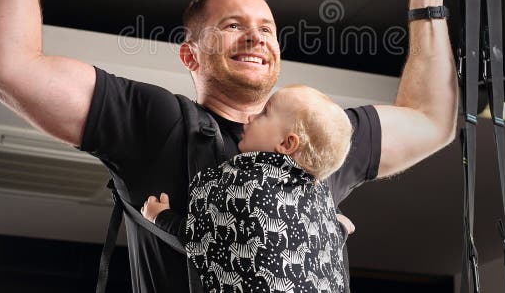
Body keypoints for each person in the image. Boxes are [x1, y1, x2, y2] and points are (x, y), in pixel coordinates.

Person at [0, 0, 458, 293]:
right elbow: (9, 64)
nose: (256, 38)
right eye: (232, 26)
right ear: (191, 56)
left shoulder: (318, 132)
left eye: (266, 29)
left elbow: (432, 119)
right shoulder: (157, 124)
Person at [141, 85, 353, 292]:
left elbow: (202, 238)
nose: (250, 117)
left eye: (264, 113)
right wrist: (338, 229)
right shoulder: (319, 199)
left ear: (287, 144)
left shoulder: (246, 185)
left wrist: (161, 217)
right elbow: (320, 257)